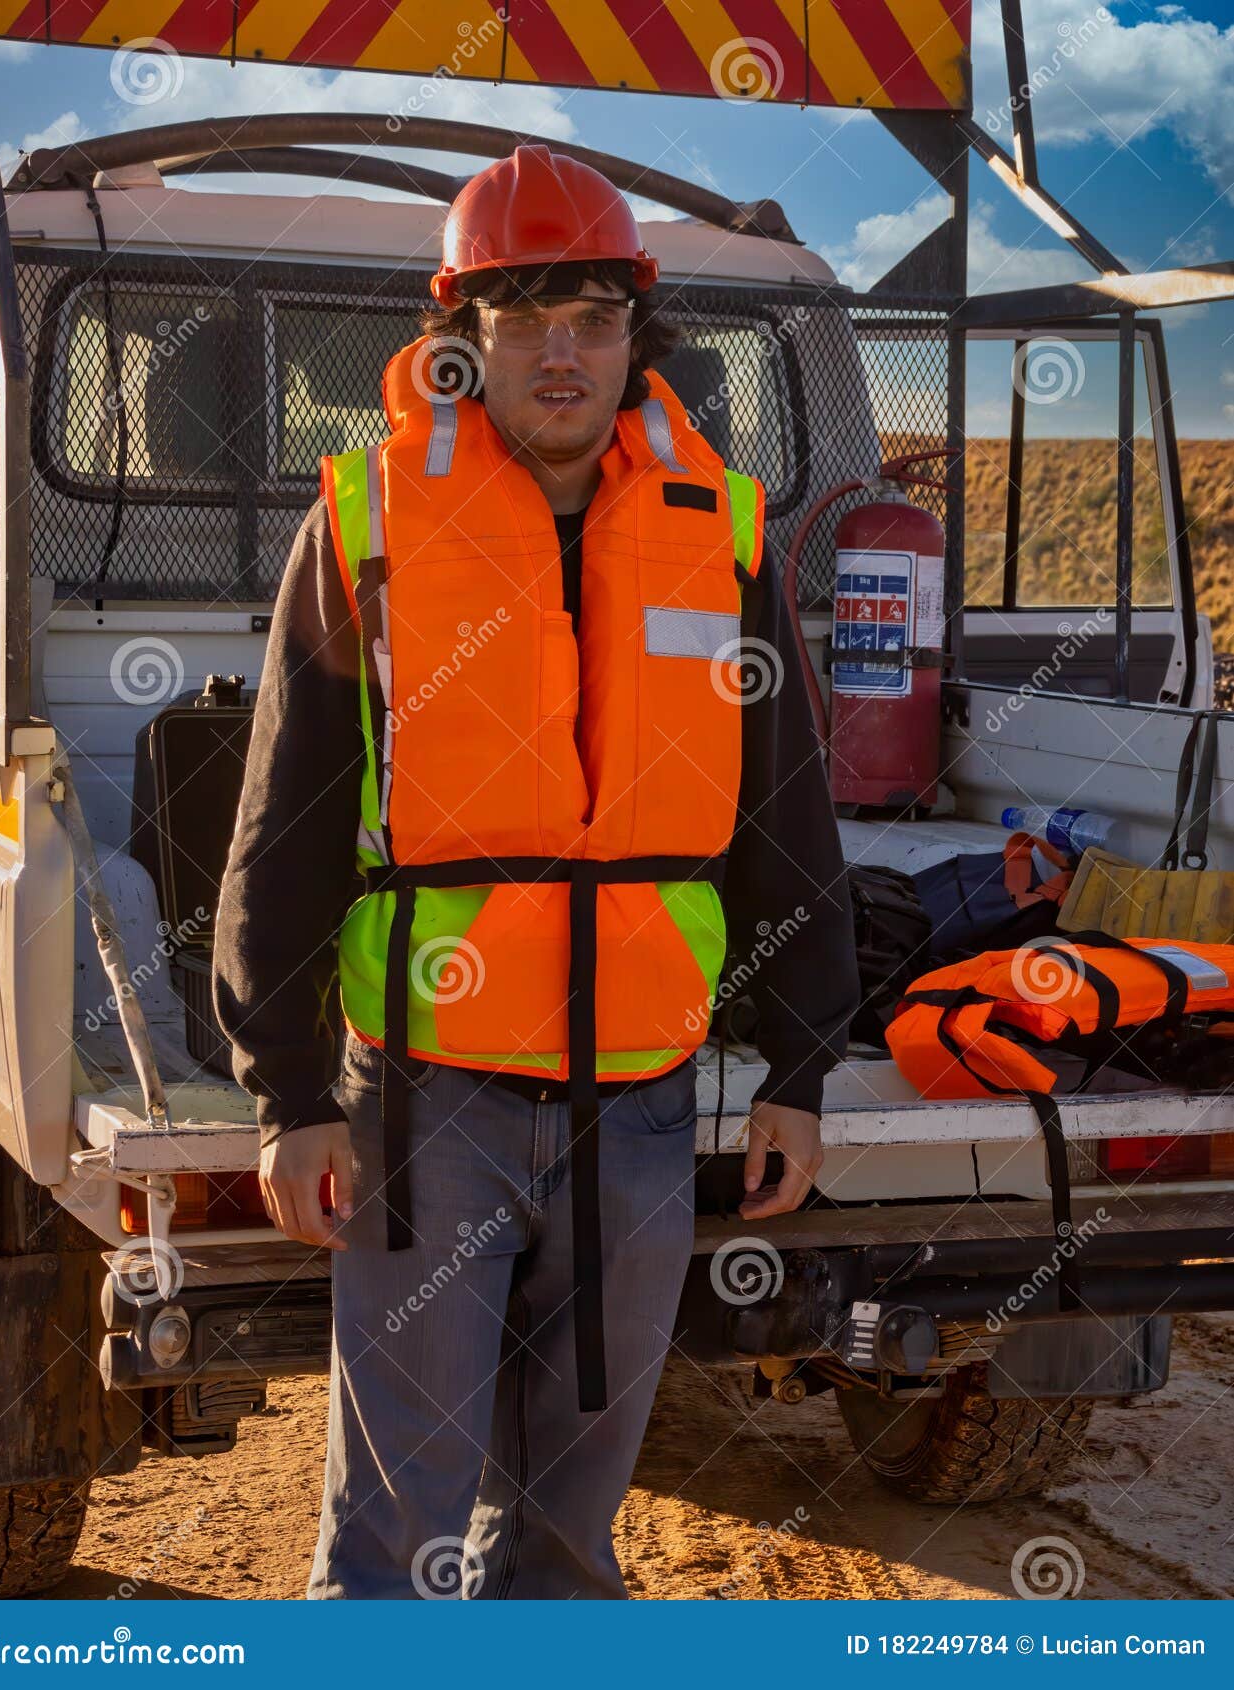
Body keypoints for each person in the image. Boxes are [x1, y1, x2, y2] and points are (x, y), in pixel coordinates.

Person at [212, 144, 859, 1600]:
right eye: (520, 318)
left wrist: (798, 1068)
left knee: (570, 1531)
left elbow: (784, 815)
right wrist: (289, 1092)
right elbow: (287, 814)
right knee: (394, 1527)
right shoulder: (368, 525)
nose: (558, 353)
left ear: (638, 331)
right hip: (428, 1104)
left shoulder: (724, 535)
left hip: (637, 1105)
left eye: (590, 314)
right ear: (462, 338)